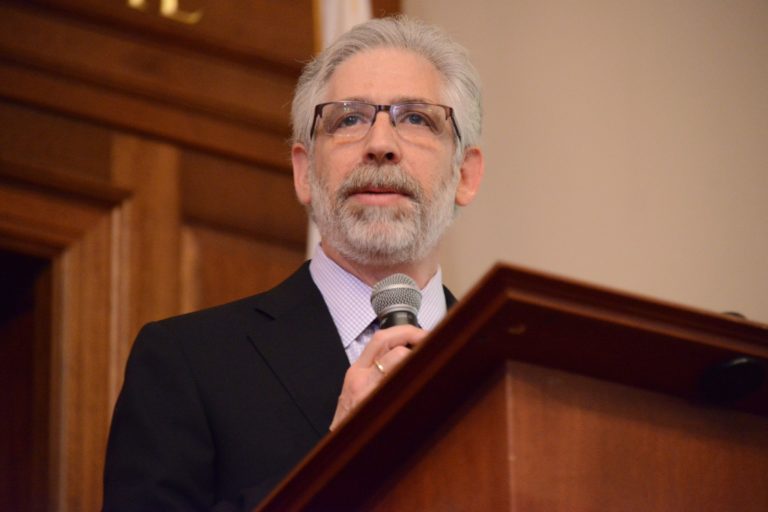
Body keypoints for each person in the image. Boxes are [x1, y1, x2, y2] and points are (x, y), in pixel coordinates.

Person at [103, 15, 484, 511]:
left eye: (416, 119)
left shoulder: (509, 369)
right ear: (304, 172)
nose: (381, 144)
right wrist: (337, 457)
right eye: (348, 119)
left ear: (466, 175)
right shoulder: (186, 363)